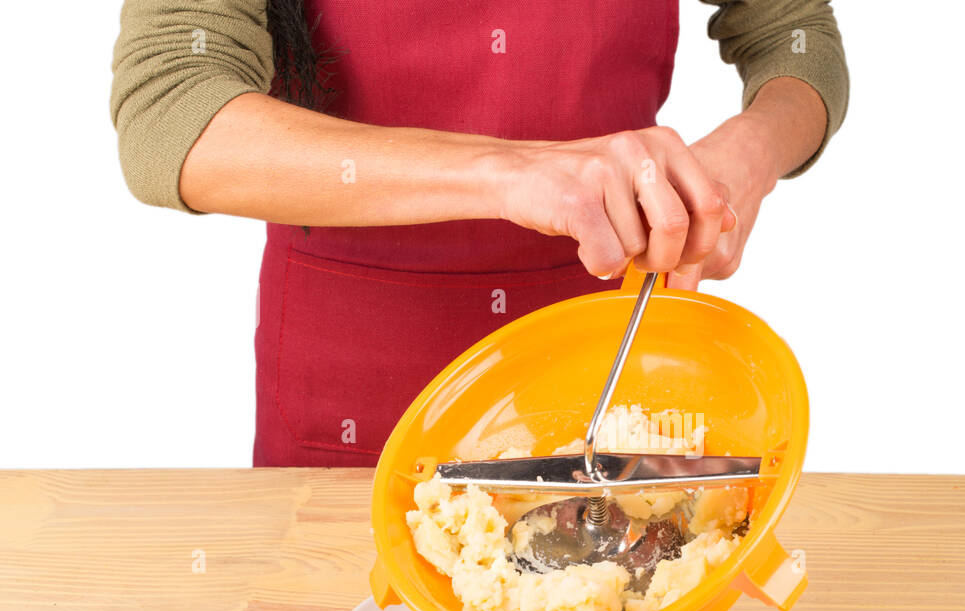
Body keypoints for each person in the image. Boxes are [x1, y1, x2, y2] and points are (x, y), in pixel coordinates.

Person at [111, 1, 848, 466]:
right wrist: (509, 173)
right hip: (354, 394)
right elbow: (173, 113)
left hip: (609, 367)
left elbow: (797, 37)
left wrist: (747, 155)